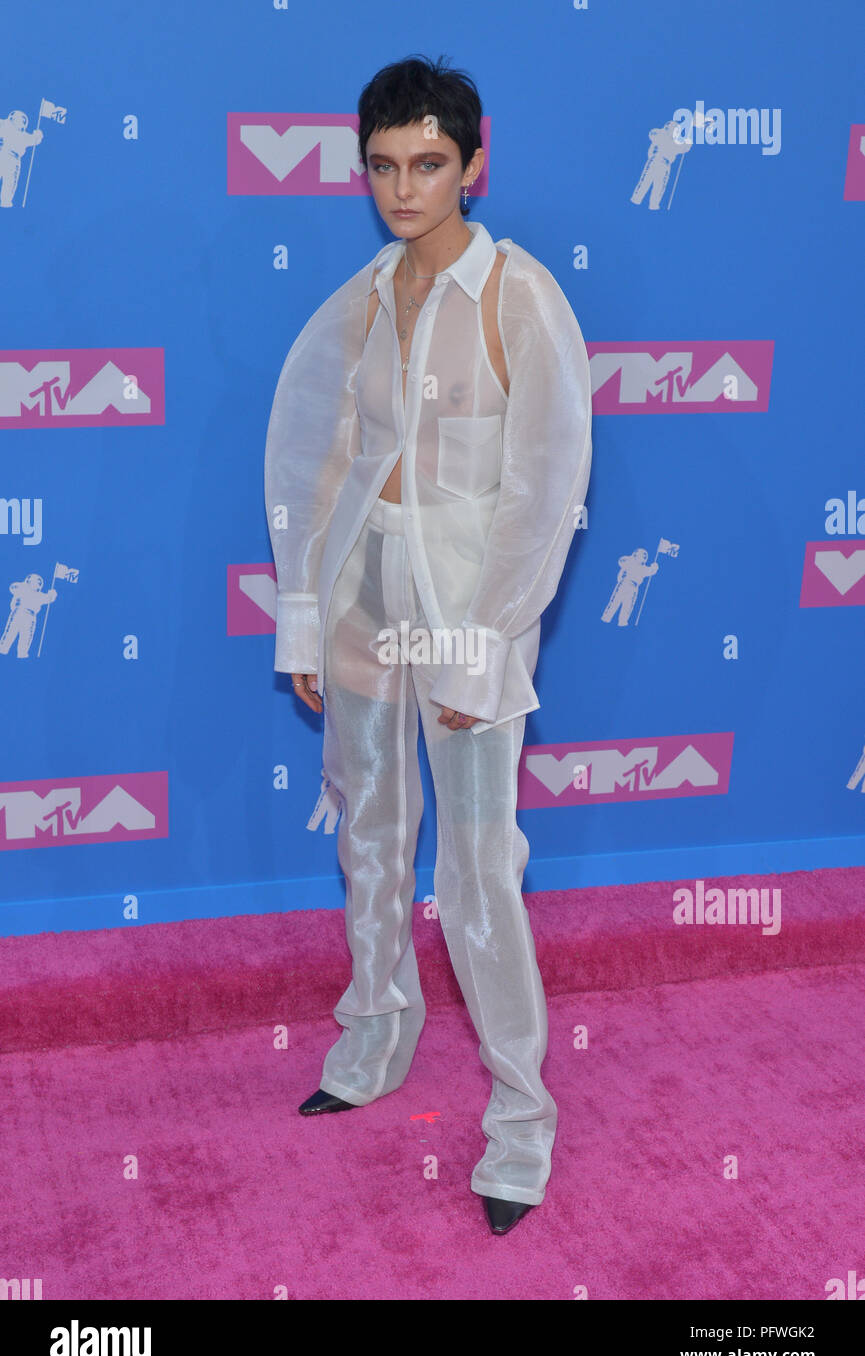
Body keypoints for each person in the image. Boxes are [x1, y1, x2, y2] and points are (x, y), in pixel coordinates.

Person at [264, 54, 592, 1235]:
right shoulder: (363, 295)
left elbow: (546, 488)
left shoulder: (519, 297)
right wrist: (309, 607)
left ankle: (519, 1122)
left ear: (473, 162)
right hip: (364, 584)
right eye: (385, 167)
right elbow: (320, 459)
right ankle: (372, 1042)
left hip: (466, 609)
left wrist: (481, 642)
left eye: (429, 165)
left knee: (477, 877)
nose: (405, 189)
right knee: (365, 824)